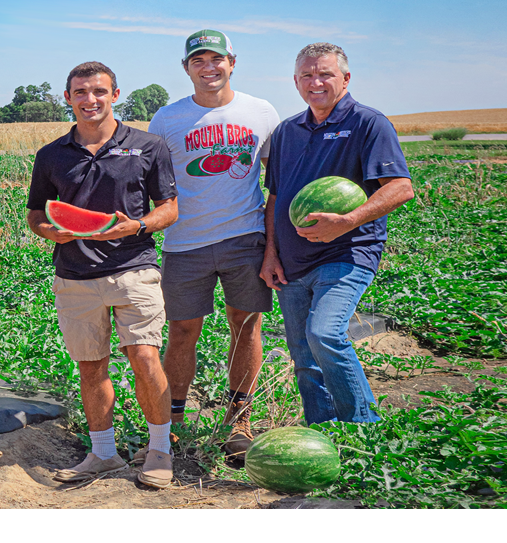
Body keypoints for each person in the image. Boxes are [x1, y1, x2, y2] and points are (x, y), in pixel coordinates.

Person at [27, 61, 180, 488]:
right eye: (80, 92)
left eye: (99, 91)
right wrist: (48, 231)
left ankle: (160, 451)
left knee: (145, 357)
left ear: (115, 94)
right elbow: (37, 212)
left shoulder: (148, 145)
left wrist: (140, 225)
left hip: (134, 268)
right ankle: (104, 454)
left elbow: (169, 207)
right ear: (67, 98)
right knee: (91, 368)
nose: (89, 100)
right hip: (74, 276)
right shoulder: (51, 154)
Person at [260, 43, 414, 424]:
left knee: (324, 334)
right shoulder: (285, 132)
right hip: (292, 262)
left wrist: (347, 221)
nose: (316, 82)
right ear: (296, 82)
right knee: (302, 354)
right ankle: (324, 431)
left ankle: (363, 426)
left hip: (346, 253)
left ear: (345, 78)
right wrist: (271, 253)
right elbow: (275, 197)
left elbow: (400, 187)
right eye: (307, 75)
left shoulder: (368, 123)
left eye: (325, 74)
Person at [147, 29, 282, 460]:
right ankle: (173, 421)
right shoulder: (167, 119)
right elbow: (150, 184)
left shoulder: (261, 112)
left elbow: (278, 185)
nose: (209, 68)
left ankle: (238, 418)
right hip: (184, 243)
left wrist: (275, 247)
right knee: (182, 331)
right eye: (199, 61)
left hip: (245, 238)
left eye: (217, 59)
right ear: (186, 68)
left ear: (232, 62)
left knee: (246, 326)